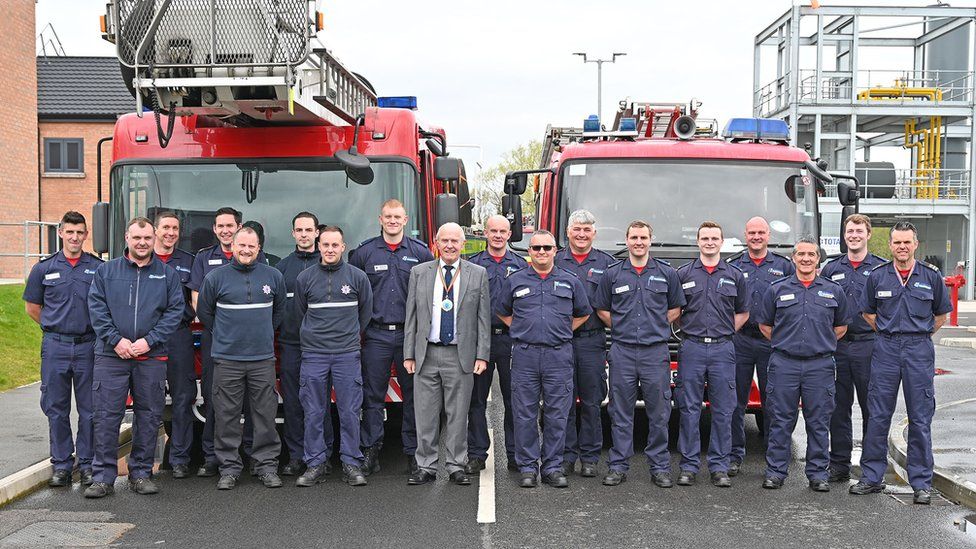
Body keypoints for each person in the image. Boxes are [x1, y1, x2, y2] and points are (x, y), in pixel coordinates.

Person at [851, 222, 952, 505]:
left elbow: (941, 316)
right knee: (878, 414)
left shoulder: (931, 277)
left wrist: (917, 335)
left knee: (920, 417)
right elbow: (869, 313)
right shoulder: (878, 276)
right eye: (897, 242)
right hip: (885, 348)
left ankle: (921, 483)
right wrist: (889, 333)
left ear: (915, 244)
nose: (902, 247)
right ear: (891, 244)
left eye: (907, 242)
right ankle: (871, 477)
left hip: (918, 349)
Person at [84, 217, 184, 498]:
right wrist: (116, 340)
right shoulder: (106, 272)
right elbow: (97, 309)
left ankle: (140, 473)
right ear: (126, 238)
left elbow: (175, 313)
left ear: (154, 239)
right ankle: (103, 476)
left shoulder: (167, 275)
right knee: (106, 416)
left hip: (150, 358)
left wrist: (147, 342)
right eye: (137, 238)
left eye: (147, 238)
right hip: (111, 356)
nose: (142, 243)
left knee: (149, 415)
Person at [592, 221, 684, 488]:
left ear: (651, 240)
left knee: (659, 412)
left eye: (643, 237)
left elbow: (676, 308)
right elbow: (602, 309)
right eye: (634, 237)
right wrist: (622, 327)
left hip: (655, 352)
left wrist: (655, 326)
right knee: (620, 412)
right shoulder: (612, 274)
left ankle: (660, 467)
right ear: (627, 240)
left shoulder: (667, 273)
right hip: (622, 351)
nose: (639, 242)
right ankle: (618, 466)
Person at [497, 230, 591, 489]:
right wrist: (523, 329)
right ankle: (528, 467)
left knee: (557, 414)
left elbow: (583, 313)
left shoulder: (570, 281)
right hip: (525, 355)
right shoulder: (515, 281)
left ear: (555, 251)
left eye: (547, 248)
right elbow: (503, 312)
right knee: (524, 413)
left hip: (558, 355)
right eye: (536, 248)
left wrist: (560, 330)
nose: (541, 252)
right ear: (529, 251)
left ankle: (552, 467)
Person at [196, 227, 286, 490]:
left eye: (251, 246)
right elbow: (205, 313)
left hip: (262, 359)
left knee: (265, 415)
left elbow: (279, 311)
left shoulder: (274, 276)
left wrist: (262, 333)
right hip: (227, 360)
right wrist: (228, 336)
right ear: (232, 247)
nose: (246, 250)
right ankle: (229, 468)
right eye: (242, 245)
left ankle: (266, 466)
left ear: (259, 248)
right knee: (226, 416)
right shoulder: (215, 278)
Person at [756, 237, 849, 492]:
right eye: (801, 254)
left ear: (818, 259)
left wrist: (819, 343)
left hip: (819, 366)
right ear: (793, 258)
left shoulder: (833, 291)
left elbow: (840, 327)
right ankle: (775, 472)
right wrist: (788, 342)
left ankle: (818, 473)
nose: (806, 259)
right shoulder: (777, 289)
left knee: (818, 421)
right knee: (780, 420)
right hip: (784, 364)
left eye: (812, 254)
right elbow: (765, 325)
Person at [349, 199, 434, 476]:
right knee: (371, 396)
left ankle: (413, 453)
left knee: (414, 396)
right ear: (380, 219)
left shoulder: (421, 253)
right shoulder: (364, 254)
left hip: (410, 336)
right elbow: (355, 295)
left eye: (398, 216)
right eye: (388, 216)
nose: (393, 221)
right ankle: (371, 451)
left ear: (406, 220)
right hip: (376, 336)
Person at [404, 223, 491, 486]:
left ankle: (456, 465)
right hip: (426, 354)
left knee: (458, 414)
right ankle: (426, 466)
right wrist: (409, 354)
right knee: (425, 414)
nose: (450, 245)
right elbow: (411, 317)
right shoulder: (419, 273)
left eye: (455, 241)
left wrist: (482, 355)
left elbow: (483, 319)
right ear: (436, 243)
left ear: (463, 244)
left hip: (460, 355)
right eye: (445, 241)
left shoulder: (478, 273)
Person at [23, 211, 102, 488]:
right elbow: (32, 308)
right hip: (55, 346)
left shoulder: (97, 267)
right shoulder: (43, 269)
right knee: (56, 408)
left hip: (88, 346)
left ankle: (89, 464)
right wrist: (54, 326)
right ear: (61, 233)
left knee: (90, 410)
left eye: (80, 232)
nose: (74, 237)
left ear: (86, 234)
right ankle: (61, 465)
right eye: (70, 232)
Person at [293, 225, 372, 487]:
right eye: (325, 245)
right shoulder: (305, 278)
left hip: (346, 354)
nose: (329, 249)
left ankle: (351, 462)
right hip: (314, 355)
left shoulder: (358, 277)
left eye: (334, 245)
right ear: (318, 246)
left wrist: (347, 337)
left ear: (342, 247)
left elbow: (365, 314)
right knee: (314, 412)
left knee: (349, 411)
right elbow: (299, 313)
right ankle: (315, 463)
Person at [675, 221, 749, 488]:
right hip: (692, 347)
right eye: (704, 238)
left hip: (722, 349)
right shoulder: (683, 274)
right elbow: (674, 311)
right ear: (697, 242)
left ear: (721, 242)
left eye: (714, 238)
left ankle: (719, 466)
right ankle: (689, 466)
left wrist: (726, 332)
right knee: (689, 409)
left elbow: (742, 312)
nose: (709, 242)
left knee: (723, 410)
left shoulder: (734, 275)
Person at [820, 214, 886, 483]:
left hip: (869, 346)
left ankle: (872, 469)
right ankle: (839, 465)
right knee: (837, 409)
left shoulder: (882, 269)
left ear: (868, 234)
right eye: (850, 231)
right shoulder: (831, 269)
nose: (854, 235)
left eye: (859, 231)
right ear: (844, 235)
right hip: (838, 348)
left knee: (873, 409)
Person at [727, 216, 795, 476]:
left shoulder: (783, 266)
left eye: (761, 232)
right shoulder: (733, 266)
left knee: (775, 401)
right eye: (752, 232)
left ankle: (774, 457)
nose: (756, 237)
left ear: (769, 235)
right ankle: (734, 455)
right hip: (741, 339)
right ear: (746, 235)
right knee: (736, 402)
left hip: (772, 341)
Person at [554, 210, 615, 478]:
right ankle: (566, 457)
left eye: (587, 230)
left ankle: (590, 457)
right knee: (563, 402)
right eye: (577, 229)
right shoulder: (554, 260)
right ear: (568, 232)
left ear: (594, 233)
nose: (581, 234)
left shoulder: (608, 264)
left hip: (592, 341)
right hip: (560, 343)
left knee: (592, 402)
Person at [188, 207, 246, 477]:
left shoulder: (248, 254)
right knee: (214, 396)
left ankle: (248, 454)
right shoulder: (203, 258)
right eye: (220, 226)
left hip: (247, 339)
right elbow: (197, 300)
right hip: (216, 336)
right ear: (214, 229)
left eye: (230, 225)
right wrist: (219, 327)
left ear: (238, 227)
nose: (225, 230)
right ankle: (211, 455)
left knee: (250, 400)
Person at [275, 212, 334, 477]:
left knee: (320, 404)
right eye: (299, 230)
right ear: (293, 234)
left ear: (317, 233)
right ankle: (297, 456)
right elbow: (275, 308)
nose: (304, 234)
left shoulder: (329, 268)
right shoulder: (281, 269)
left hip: (322, 348)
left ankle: (324, 454)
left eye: (308, 230)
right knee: (293, 404)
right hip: (291, 346)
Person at [465, 215, 524, 473]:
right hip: (481, 339)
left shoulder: (522, 265)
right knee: (476, 399)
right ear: (485, 233)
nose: (498, 235)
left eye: (503, 231)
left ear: (509, 234)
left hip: (512, 339)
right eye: (493, 231)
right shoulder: (472, 266)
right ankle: (477, 454)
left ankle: (515, 454)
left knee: (515, 400)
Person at [152, 211, 197, 479]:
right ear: (156, 230)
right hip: (149, 338)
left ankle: (180, 458)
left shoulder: (188, 263)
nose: (170, 233)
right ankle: (144, 459)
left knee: (183, 397)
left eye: (175, 229)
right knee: (149, 400)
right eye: (166, 227)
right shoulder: (143, 260)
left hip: (179, 336)